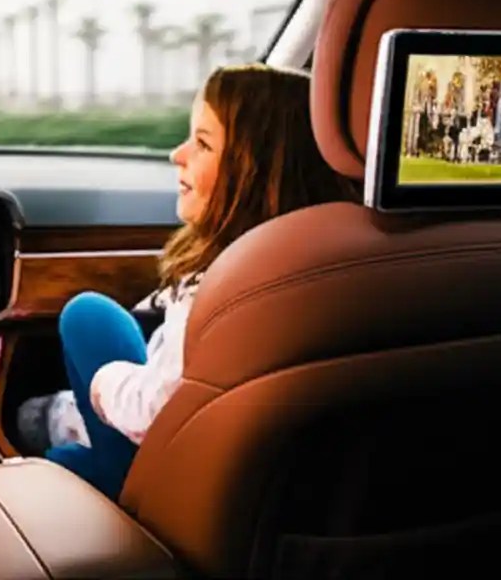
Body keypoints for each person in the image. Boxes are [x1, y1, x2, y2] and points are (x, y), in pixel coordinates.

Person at [20, 64, 358, 501]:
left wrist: (100, 383)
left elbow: (155, 414)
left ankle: (66, 428)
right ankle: (67, 440)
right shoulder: (335, 262)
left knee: (87, 318)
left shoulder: (216, 286)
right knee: (67, 451)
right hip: (270, 481)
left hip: (174, 486)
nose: (176, 155)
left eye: (202, 144)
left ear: (252, 172)